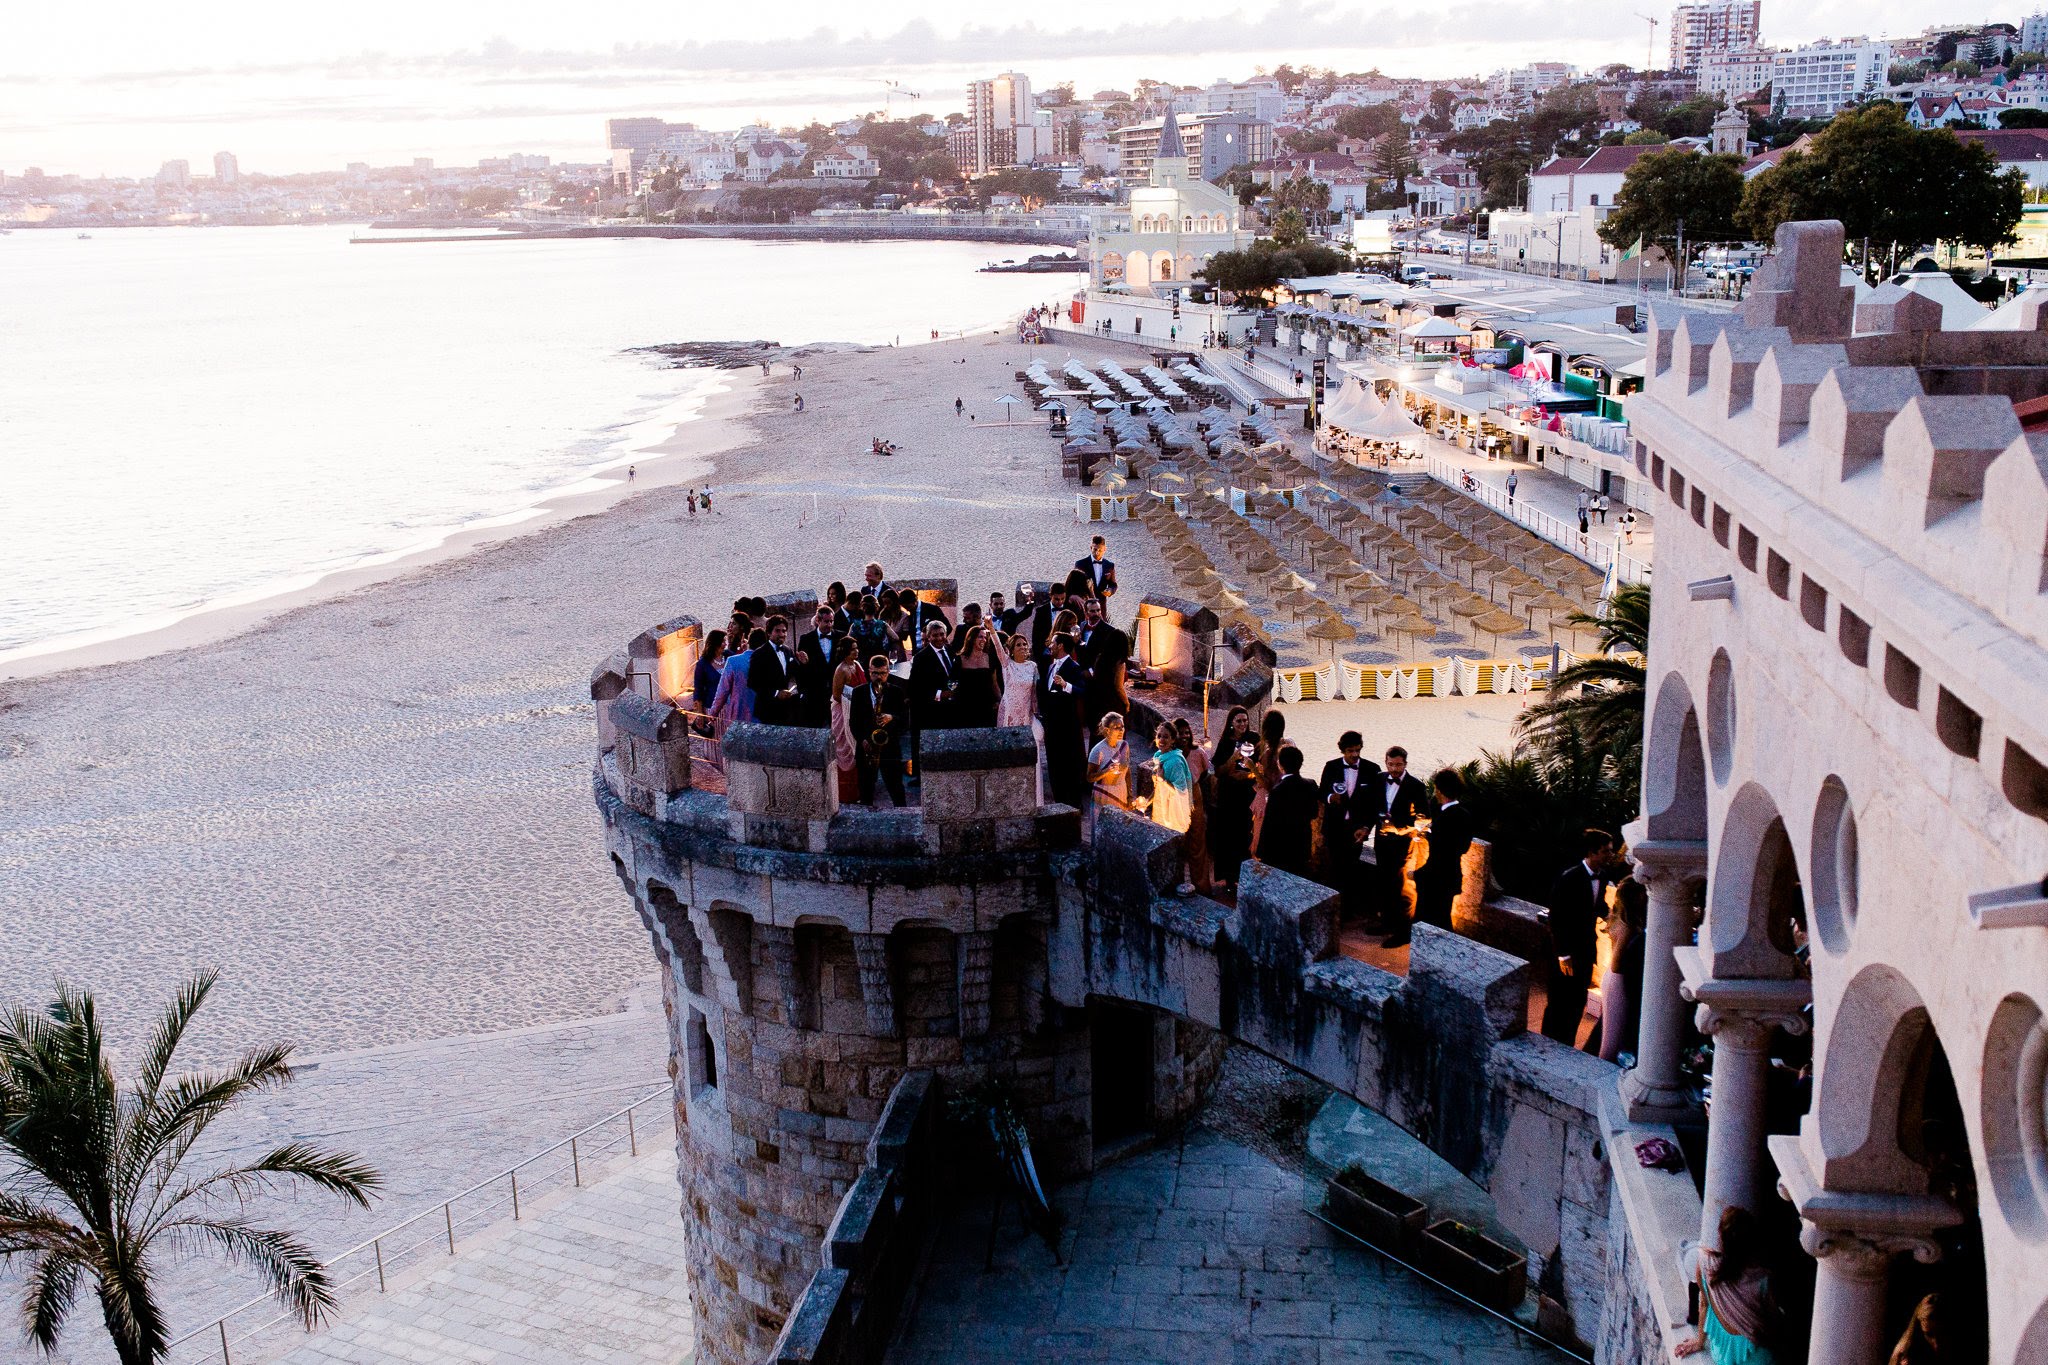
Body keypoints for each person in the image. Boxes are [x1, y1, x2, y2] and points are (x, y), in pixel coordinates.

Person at [1677, 1209, 1783, 1364]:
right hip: (1752, 1357)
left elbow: (1704, 1304)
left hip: (1721, 1354)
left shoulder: (1704, 1261)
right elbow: (1773, 1325)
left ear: (1720, 1237)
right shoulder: (1762, 1281)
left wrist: (1699, 1341)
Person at [1540, 829, 1616, 1045]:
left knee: (1577, 1001)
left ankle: (1568, 1045)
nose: (1610, 856)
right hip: (1564, 951)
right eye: (1605, 852)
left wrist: (1611, 918)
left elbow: (1597, 905)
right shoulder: (1569, 878)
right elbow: (1556, 918)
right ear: (1592, 852)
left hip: (1585, 950)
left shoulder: (1602, 876)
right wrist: (1563, 955)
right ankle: (1547, 1044)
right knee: (1558, 1001)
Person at [1370, 746, 1431, 944]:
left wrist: (1397, 828)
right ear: (1385, 762)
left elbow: (1424, 820)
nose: (1394, 769)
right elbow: (1374, 808)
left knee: (1402, 889)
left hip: (1405, 847)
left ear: (1405, 764)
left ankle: (1402, 933)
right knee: (1383, 883)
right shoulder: (1379, 779)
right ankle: (1385, 923)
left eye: (1398, 765)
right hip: (1381, 842)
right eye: (1391, 764)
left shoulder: (1416, 786)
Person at [1317, 731, 1381, 915]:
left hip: (1356, 831)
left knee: (1351, 870)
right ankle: (1331, 910)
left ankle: (1346, 911)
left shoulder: (1372, 769)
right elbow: (1321, 792)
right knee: (1333, 869)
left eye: (1357, 750)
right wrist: (1331, 797)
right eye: (1350, 751)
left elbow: (1374, 805)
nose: (1354, 755)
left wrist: (1366, 827)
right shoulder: (1331, 767)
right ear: (1342, 750)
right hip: (1333, 828)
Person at [1415, 767, 1474, 934]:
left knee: (1429, 924)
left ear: (1439, 790)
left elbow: (1439, 855)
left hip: (1435, 880)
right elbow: (1463, 847)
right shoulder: (1465, 815)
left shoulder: (1443, 818)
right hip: (1453, 876)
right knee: (1443, 919)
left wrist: (1417, 874)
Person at [1597, 876, 1648, 1064]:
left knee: (1609, 1030)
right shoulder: (1629, 929)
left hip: (1614, 978)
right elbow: (1618, 964)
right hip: (1617, 980)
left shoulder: (1621, 921)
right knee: (1611, 1042)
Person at [1209, 707, 1258, 894]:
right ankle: (1230, 879)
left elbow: (1259, 766)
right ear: (1231, 723)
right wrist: (1234, 757)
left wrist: (1246, 775)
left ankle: (1246, 878)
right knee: (1229, 836)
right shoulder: (1225, 743)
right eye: (1238, 721)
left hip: (1247, 794)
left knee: (1246, 835)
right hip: (1229, 796)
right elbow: (1220, 772)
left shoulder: (1254, 739)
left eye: (1245, 720)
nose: (1242, 724)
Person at [850, 656, 908, 807]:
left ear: (889, 672)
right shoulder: (858, 692)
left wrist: (892, 717)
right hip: (866, 748)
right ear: (869, 672)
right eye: (875, 673)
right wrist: (862, 740)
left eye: (882, 673)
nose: (879, 677)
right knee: (865, 790)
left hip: (890, 749)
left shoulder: (897, 692)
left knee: (896, 789)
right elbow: (853, 722)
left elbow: (905, 722)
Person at [1146, 722, 1197, 896]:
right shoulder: (1160, 757)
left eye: (1166, 737)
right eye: (1159, 735)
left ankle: (1176, 884)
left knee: (1173, 850)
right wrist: (1147, 802)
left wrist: (1162, 780)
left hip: (1173, 813)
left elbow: (1181, 791)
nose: (1161, 740)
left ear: (1173, 740)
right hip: (1162, 807)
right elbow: (1159, 787)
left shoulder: (1174, 761)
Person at [1039, 633, 1089, 809]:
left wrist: (1065, 685)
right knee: (1054, 765)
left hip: (1066, 726)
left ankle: (1073, 807)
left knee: (1069, 766)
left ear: (1060, 645)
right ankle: (1059, 805)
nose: (1049, 645)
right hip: (1051, 725)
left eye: (1052, 642)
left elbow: (1082, 691)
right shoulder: (1050, 665)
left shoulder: (1073, 667)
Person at [1255, 745, 1321, 879]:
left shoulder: (1277, 791)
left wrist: (1261, 851)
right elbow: (1314, 813)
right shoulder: (1311, 785)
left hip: (1280, 847)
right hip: (1302, 844)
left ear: (1280, 765)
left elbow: (1269, 824)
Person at [1077, 596, 1130, 733]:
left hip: (1100, 680)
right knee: (1090, 718)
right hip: (1084, 679)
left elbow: (1108, 659)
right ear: (1086, 612)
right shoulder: (1081, 626)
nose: (1096, 614)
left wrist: (1092, 672)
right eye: (1092, 611)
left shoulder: (1109, 631)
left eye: (1098, 610)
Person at [1175, 718, 1213, 895]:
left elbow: (1206, 774)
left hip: (1195, 797)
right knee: (1178, 843)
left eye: (1186, 732)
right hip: (1175, 798)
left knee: (1198, 844)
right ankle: (1178, 883)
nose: (1184, 736)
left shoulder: (1198, 753)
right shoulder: (1171, 754)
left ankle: (1202, 886)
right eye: (1180, 733)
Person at [908, 619, 958, 748]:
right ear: (928, 637)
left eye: (942, 634)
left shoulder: (951, 650)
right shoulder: (921, 658)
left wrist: (953, 690)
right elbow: (915, 687)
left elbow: (954, 675)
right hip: (932, 712)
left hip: (952, 710)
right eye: (935, 635)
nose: (939, 638)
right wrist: (941, 695)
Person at [795, 606, 844, 727]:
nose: (829, 625)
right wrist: (803, 691)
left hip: (836, 688)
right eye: (826, 621)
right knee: (816, 725)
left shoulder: (841, 637)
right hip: (815, 691)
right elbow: (801, 668)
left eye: (831, 621)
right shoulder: (806, 639)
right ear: (818, 620)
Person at [747, 615, 802, 725]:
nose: (782, 634)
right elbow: (753, 682)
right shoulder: (759, 654)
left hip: (787, 709)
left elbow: (796, 673)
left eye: (784, 631)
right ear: (769, 633)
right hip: (767, 709)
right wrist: (776, 693)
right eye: (777, 631)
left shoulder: (788, 650)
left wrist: (803, 663)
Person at [1085, 712, 1131, 837]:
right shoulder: (1097, 750)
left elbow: (1128, 771)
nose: (1121, 730)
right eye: (1116, 728)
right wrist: (1106, 771)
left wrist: (1130, 795)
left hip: (1121, 791)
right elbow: (1089, 777)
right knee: (1104, 833)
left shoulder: (1124, 745)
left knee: (1120, 831)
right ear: (1107, 730)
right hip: (1103, 794)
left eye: (1122, 727)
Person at [827, 656, 865, 803]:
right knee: (843, 746)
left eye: (857, 648)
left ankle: (858, 791)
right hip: (843, 712)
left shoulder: (857, 665)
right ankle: (845, 794)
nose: (857, 651)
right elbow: (836, 696)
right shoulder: (840, 669)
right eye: (853, 649)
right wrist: (852, 702)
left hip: (856, 711)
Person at [710, 627, 764, 729]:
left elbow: (722, 691)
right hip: (761, 717)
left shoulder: (733, 661)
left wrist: (713, 713)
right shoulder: (768, 661)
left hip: (737, 715)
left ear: (749, 642)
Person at [954, 623, 1001, 728]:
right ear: (971, 638)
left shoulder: (990, 659)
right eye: (980, 637)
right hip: (965, 707)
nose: (984, 640)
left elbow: (994, 683)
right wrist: (952, 695)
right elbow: (952, 682)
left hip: (986, 707)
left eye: (985, 637)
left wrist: (1000, 701)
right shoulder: (959, 659)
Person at [996, 633, 1037, 728]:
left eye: (1024, 644)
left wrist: (1036, 711)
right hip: (1009, 711)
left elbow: (1035, 691)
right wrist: (991, 628)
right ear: (1012, 650)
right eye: (1018, 645)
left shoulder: (1033, 666)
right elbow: (998, 646)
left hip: (1026, 711)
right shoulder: (1007, 663)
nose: (1023, 647)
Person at [691, 629, 727, 716]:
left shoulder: (729, 656)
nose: (725, 644)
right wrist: (700, 714)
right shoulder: (702, 664)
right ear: (715, 643)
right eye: (723, 641)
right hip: (712, 707)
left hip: (730, 707)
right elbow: (698, 689)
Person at [1075, 535, 1118, 601]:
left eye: (1100, 550)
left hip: (1101, 605)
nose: (1097, 553)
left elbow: (1113, 585)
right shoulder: (1080, 564)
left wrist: (1110, 590)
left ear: (1104, 549)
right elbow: (1075, 585)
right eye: (1095, 549)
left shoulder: (1109, 565)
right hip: (1085, 604)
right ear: (1091, 547)